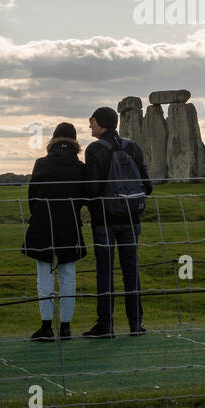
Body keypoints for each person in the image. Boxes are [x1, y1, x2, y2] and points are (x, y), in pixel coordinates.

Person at [82, 105, 152, 339]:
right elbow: (147, 186)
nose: (89, 125)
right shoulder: (132, 146)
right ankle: (136, 324)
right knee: (131, 270)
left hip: (104, 219)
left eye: (91, 121)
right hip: (132, 219)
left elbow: (92, 188)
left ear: (100, 123)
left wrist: (93, 207)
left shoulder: (94, 149)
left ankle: (106, 325)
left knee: (105, 271)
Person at [22, 122, 87, 342]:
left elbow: (32, 195)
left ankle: (46, 326)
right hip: (70, 223)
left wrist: (38, 214)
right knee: (68, 275)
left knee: (45, 275)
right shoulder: (80, 167)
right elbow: (84, 197)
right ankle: (66, 326)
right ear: (75, 143)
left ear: (53, 141)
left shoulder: (42, 164)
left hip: (43, 222)